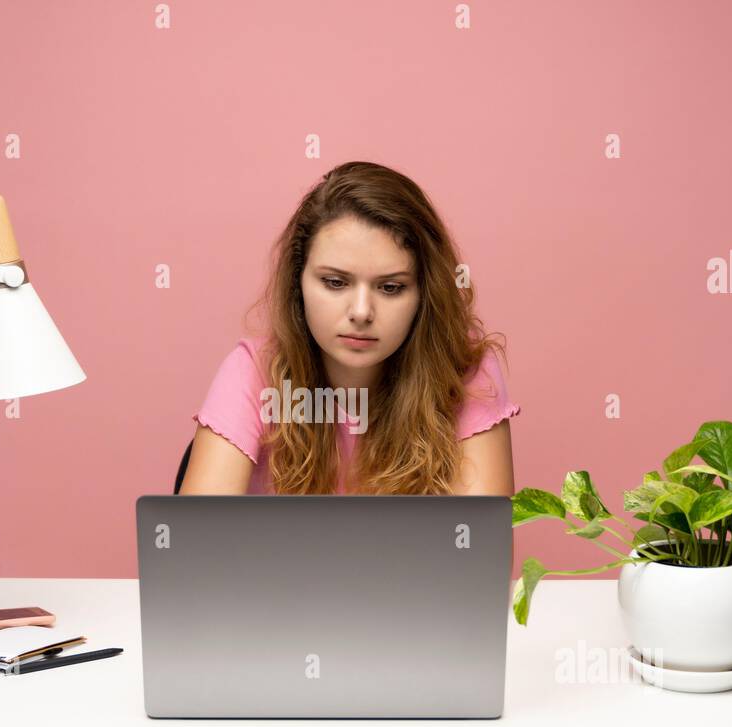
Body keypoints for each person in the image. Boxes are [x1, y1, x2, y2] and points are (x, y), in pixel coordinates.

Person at [179, 161, 519, 495]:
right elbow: (195, 545)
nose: (361, 312)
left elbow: (477, 546)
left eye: (390, 288)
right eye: (335, 282)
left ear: (424, 294)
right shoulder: (253, 372)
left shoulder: (465, 372)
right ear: (299, 282)